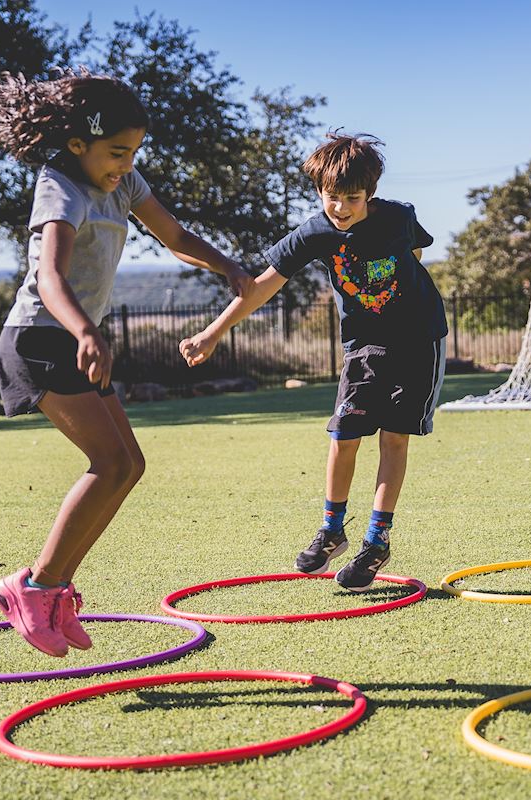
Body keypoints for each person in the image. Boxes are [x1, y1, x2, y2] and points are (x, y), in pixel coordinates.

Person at [0, 69, 252, 656]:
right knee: (107, 461)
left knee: (128, 465)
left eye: (133, 153)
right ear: (79, 144)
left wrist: (227, 265)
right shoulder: (61, 186)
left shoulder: (123, 182)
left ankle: (52, 589)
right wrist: (85, 330)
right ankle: (33, 586)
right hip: (41, 340)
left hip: (71, 340)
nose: (125, 164)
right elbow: (48, 276)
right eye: (116, 152)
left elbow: (174, 235)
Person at [180, 133, 448, 592]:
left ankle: (376, 541)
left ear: (372, 193)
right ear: (319, 190)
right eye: (331, 196)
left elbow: (415, 255)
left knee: (395, 438)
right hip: (364, 346)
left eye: (352, 198)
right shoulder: (315, 232)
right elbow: (262, 286)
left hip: (419, 341)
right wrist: (212, 333)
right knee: (344, 436)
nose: (341, 208)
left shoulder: (399, 217)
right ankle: (332, 530)